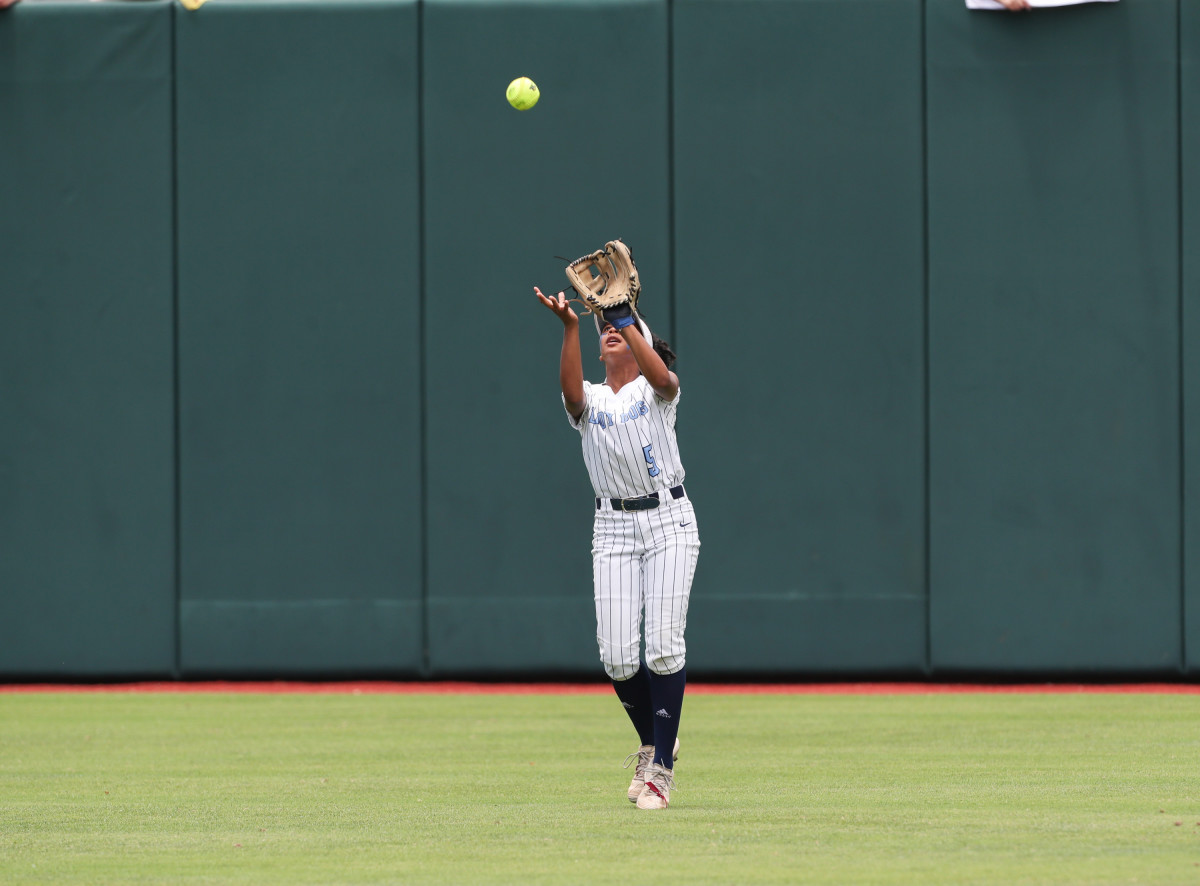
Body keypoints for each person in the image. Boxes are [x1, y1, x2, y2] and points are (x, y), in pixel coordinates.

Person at [535, 283, 700, 810]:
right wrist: (570, 327)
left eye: (621, 331)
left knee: (663, 646)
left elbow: (662, 376)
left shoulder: (657, 391)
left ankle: (662, 773)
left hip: (669, 518)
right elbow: (570, 396)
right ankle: (654, 739)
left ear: (639, 341)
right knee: (617, 656)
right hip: (612, 527)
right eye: (604, 330)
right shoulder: (596, 399)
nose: (610, 332)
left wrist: (627, 319)